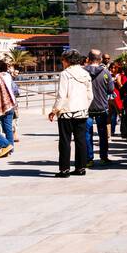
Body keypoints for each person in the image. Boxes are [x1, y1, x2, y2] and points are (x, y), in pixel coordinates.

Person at [49, 49, 93, 178]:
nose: (62, 62)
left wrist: (54, 110)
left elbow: (62, 95)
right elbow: (90, 94)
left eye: (62, 60)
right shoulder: (85, 74)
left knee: (65, 141)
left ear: (67, 60)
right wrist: (85, 106)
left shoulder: (65, 74)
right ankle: (80, 167)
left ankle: (64, 169)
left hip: (66, 112)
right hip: (82, 111)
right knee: (81, 140)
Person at [84, 50, 114, 165]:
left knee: (87, 134)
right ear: (100, 59)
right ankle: (103, 157)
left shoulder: (83, 72)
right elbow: (111, 89)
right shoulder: (105, 72)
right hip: (102, 106)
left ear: (88, 58)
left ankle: (89, 159)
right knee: (103, 134)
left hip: (87, 107)